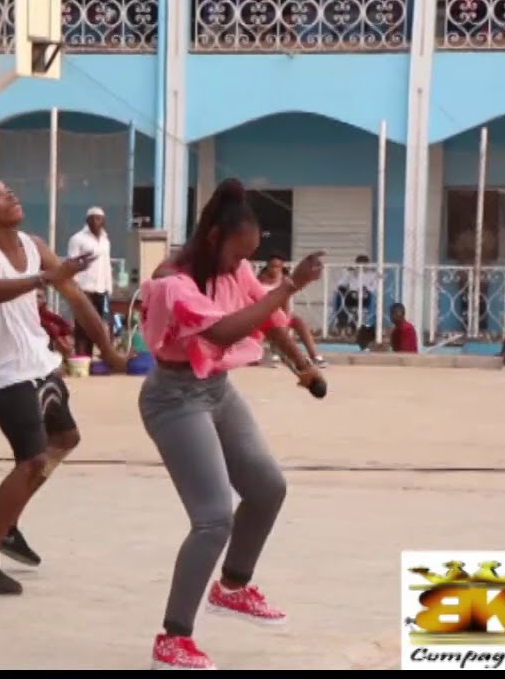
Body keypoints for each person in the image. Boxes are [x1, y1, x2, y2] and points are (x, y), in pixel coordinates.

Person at [137, 178, 325, 670]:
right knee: (214, 517)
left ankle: (233, 587)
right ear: (215, 237)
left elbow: (266, 319)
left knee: (267, 487)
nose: (243, 263)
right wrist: (291, 285)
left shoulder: (234, 267)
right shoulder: (172, 280)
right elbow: (223, 329)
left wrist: (302, 365)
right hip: (173, 399)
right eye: (238, 252)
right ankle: (173, 639)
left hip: (216, 390)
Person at [0, 176, 127, 596]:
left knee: (65, 437)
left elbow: (76, 298)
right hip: (4, 372)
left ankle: (5, 523)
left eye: (8, 189)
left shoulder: (34, 246)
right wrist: (40, 281)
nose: (10, 194)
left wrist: (107, 348)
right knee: (31, 460)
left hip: (40, 363)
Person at [257, 254, 327, 368]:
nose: (274, 270)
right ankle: (276, 352)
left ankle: (315, 356)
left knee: (298, 321)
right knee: (277, 322)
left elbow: (286, 302)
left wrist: (286, 319)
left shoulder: (285, 280)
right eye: (272, 266)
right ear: (267, 266)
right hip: (263, 314)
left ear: (281, 267)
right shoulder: (259, 279)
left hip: (280, 313)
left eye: (277, 267)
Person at [65, 207, 113, 357]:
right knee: (83, 326)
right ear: (87, 220)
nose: (95, 221)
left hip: (101, 289)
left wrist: (109, 287)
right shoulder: (77, 239)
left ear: (103, 221)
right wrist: (74, 289)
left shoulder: (105, 240)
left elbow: (106, 265)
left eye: (98, 218)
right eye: (92, 218)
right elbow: (71, 264)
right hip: (84, 289)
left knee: (101, 326)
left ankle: (98, 359)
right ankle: (82, 358)